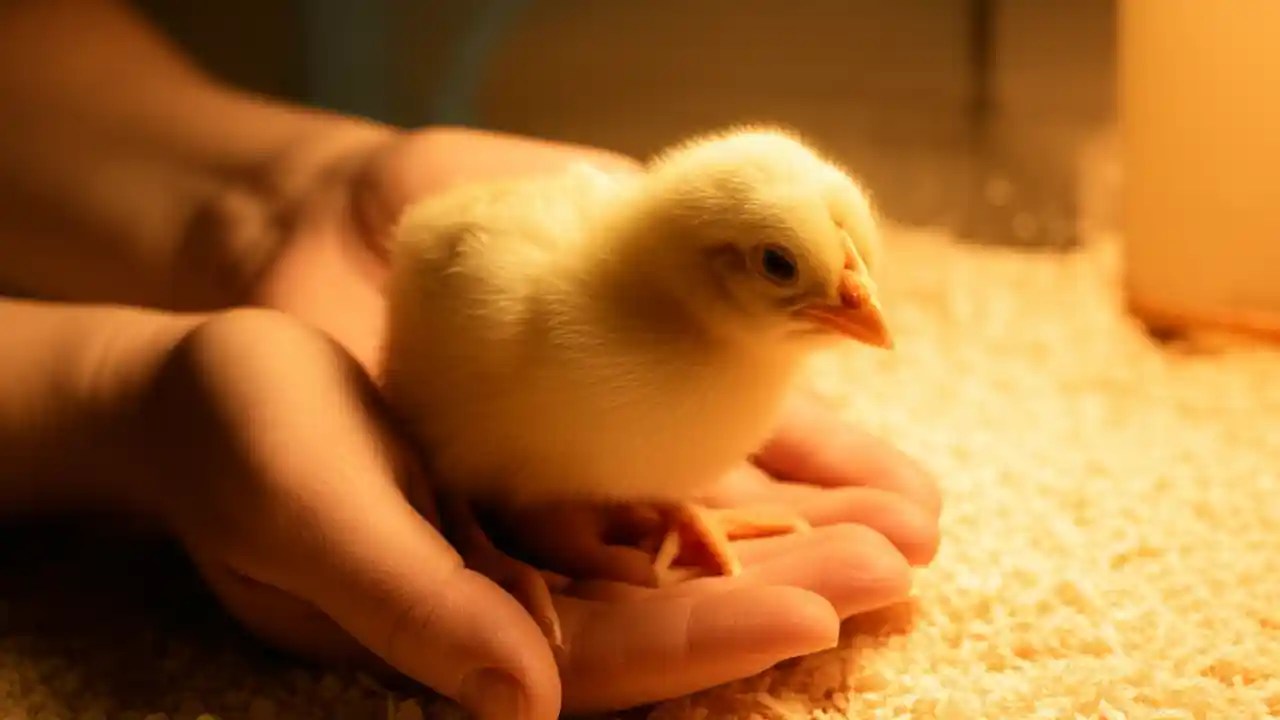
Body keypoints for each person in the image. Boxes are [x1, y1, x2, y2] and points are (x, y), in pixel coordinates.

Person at [0, 1, 942, 719]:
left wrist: (293, 195)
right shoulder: (546, 309)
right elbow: (447, 258)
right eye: (783, 268)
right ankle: (475, 516)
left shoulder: (691, 331)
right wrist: (108, 388)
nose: (855, 307)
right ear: (704, 261)